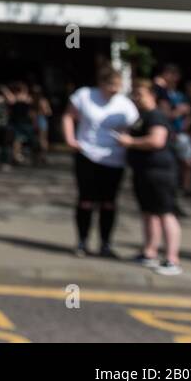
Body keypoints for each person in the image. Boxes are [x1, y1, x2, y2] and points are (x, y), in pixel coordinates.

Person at [62, 66, 138, 258]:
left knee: (108, 202)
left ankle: (105, 243)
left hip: (114, 158)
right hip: (87, 154)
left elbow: (134, 128)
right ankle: (82, 242)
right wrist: (70, 139)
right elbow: (68, 116)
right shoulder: (85, 95)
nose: (115, 89)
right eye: (111, 84)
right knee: (86, 200)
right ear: (101, 83)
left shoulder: (125, 104)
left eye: (118, 85)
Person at [117, 79, 182, 275]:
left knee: (165, 213)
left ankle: (172, 259)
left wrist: (130, 141)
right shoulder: (142, 116)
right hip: (144, 171)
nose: (136, 98)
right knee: (149, 213)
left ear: (153, 95)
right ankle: (149, 252)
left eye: (141, 94)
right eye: (135, 94)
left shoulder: (156, 116)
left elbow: (157, 140)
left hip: (159, 172)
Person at [152, 63, 191, 198]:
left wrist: (185, 127)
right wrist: (177, 112)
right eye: (169, 74)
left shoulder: (181, 95)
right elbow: (164, 114)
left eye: (175, 74)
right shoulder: (160, 93)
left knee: (188, 162)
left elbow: (189, 115)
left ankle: (186, 188)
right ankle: (171, 190)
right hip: (167, 134)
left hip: (181, 134)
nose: (172, 77)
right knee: (171, 164)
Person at [31, 80, 52, 165]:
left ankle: (41, 157)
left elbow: (48, 112)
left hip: (39, 119)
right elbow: (49, 112)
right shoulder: (39, 100)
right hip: (39, 120)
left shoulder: (38, 100)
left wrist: (39, 112)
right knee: (41, 139)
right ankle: (41, 157)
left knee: (40, 139)